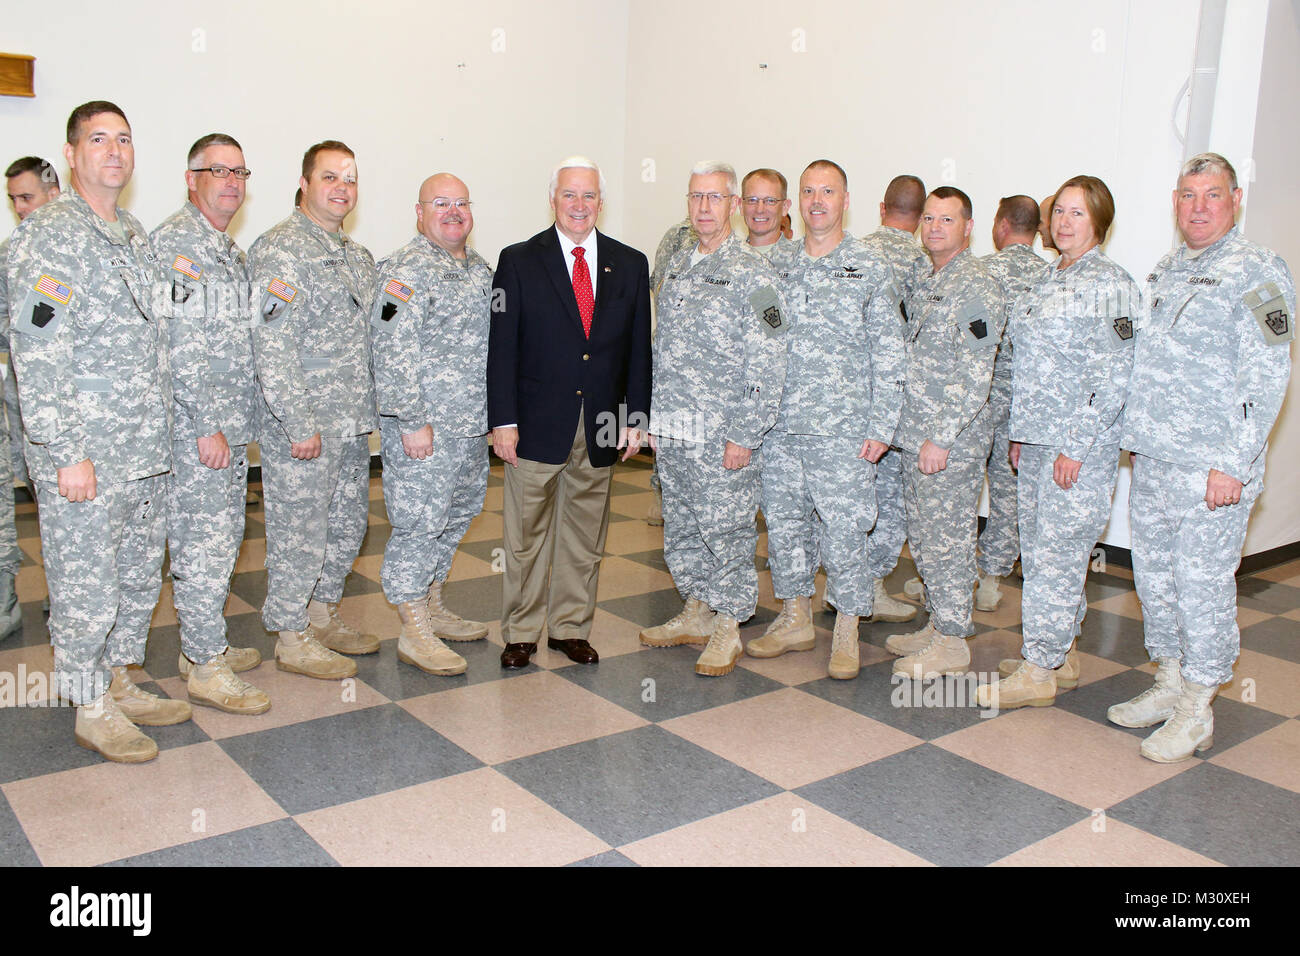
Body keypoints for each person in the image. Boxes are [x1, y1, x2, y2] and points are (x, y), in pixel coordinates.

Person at [8, 101, 180, 762]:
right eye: (98, 139)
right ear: (73, 154)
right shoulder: (50, 234)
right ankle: (88, 701)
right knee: (85, 580)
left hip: (142, 447)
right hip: (86, 451)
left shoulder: (134, 233)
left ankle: (116, 677)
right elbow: (37, 349)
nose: (114, 150)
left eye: (124, 139)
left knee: (137, 573)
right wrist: (65, 453)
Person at [1113, 153, 1293, 762]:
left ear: (1234, 200)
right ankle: (1169, 682)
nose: (1198, 207)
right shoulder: (1168, 268)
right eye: (1188, 195)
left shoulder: (1259, 272)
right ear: (1175, 200)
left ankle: (1197, 707)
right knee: (1156, 579)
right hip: (1158, 459)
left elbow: (1265, 376)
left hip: (1211, 469)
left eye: (1211, 195)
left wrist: (1232, 464)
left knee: (1201, 586)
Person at [979, 176, 1137, 709]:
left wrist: (1075, 445)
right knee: (1048, 555)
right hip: (1040, 443)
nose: (1065, 222)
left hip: (1077, 450)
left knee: (1055, 558)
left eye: (1077, 213)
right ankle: (1059, 653)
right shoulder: (1049, 278)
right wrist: (1024, 435)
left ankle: (1038, 668)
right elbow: (1032, 367)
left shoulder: (1112, 284)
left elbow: (1114, 374)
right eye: (1059, 212)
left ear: (1099, 221)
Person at [487, 156, 651, 669]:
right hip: (535, 424)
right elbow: (502, 348)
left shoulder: (630, 263)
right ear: (552, 199)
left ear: (601, 202)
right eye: (568, 195)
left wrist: (636, 418)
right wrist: (503, 421)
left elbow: (638, 351)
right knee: (525, 537)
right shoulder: (517, 260)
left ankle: (569, 628)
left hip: (600, 424)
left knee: (584, 537)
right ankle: (520, 631)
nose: (579, 205)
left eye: (588, 196)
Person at [749, 160, 904, 679]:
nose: (818, 201)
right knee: (786, 524)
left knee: (844, 530)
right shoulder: (778, 264)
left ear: (844, 200)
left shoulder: (868, 265)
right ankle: (795, 617)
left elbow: (890, 353)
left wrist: (883, 426)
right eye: (809, 191)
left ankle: (846, 626)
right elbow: (759, 342)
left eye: (828, 192)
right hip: (780, 428)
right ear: (798, 201)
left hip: (843, 431)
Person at [641, 160, 787, 676]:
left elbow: (770, 361)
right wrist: (654, 419)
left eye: (714, 198)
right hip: (677, 428)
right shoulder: (678, 266)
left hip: (724, 432)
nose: (704, 207)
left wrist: (746, 433)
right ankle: (697, 608)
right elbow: (663, 348)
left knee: (726, 528)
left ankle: (728, 622)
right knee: (682, 525)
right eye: (695, 197)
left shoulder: (757, 273)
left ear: (733, 205)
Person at [250, 140, 378, 679]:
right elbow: (271, 343)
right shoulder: (280, 249)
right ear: (304, 183)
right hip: (303, 427)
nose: (341, 188)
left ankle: (322, 614)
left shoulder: (355, 255)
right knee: (299, 530)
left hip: (349, 426)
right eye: (330, 177)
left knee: (346, 525)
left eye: (349, 179)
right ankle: (289, 632)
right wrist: (297, 424)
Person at [151, 133, 268, 714]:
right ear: (191, 179)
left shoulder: (226, 250)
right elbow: (179, 345)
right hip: (199, 429)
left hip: (226, 425)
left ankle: (203, 644)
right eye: (217, 170)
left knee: (221, 542)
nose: (231, 182)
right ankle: (203, 663)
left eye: (240, 172)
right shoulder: (181, 247)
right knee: (203, 545)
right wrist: (204, 425)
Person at [372, 173, 493, 676]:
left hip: (469, 429)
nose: (453, 212)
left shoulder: (480, 271)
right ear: (418, 212)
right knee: (419, 524)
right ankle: (413, 626)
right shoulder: (404, 271)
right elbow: (389, 348)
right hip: (425, 430)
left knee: (454, 517)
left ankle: (433, 602)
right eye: (440, 203)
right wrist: (411, 419)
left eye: (461, 203)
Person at [885, 186, 1003, 680]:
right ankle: (939, 623)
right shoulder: (930, 276)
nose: (934, 227)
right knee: (926, 537)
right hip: (917, 435)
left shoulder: (975, 285)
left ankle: (954, 640)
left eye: (946, 220)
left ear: (968, 227)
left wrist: (943, 438)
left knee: (949, 538)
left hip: (947, 441)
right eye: (929, 219)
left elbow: (977, 373)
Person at [975, 195, 1049, 611]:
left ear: (1001, 225)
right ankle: (992, 579)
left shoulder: (983, 272)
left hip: (981, 397)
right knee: (1009, 491)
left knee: (962, 490)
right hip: (1025, 403)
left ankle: (952, 576)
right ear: (1037, 229)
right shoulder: (1049, 275)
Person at [863, 174, 929, 623]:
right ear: (922, 218)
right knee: (889, 500)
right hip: (895, 403)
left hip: (847, 401)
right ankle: (869, 586)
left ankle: (838, 583)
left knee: (850, 495)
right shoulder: (924, 264)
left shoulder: (857, 252)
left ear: (882, 207)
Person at [1, 156, 61, 639]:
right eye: (13, 200)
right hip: (25, 406)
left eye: (28, 197)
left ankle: (73, 607)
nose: (20, 209)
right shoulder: (11, 254)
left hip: (75, 413)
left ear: (53, 193)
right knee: (45, 512)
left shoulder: (77, 250)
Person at [645, 217, 698, 527]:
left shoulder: (736, 243)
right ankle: (661, 493)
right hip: (671, 353)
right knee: (666, 432)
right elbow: (659, 285)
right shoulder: (677, 237)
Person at [740, 168, 791, 255]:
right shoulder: (723, 261)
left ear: (785, 207)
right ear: (741, 206)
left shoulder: (801, 260)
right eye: (752, 200)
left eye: (770, 201)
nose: (760, 210)